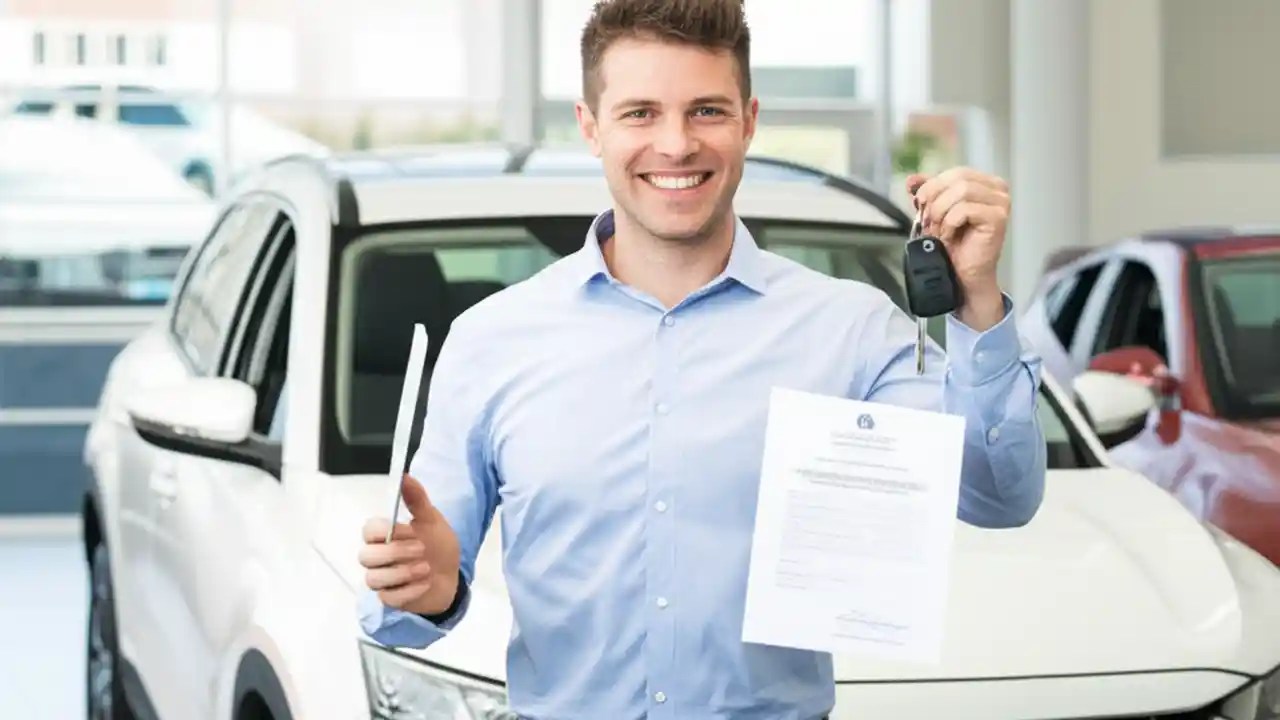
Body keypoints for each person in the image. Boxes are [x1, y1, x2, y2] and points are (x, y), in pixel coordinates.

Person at [356, 1, 1047, 718]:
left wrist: (977, 304)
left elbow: (999, 497)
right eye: (641, 113)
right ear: (591, 128)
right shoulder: (491, 339)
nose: (677, 144)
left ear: (749, 120)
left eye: (707, 111)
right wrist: (428, 586)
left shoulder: (852, 332)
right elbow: (409, 599)